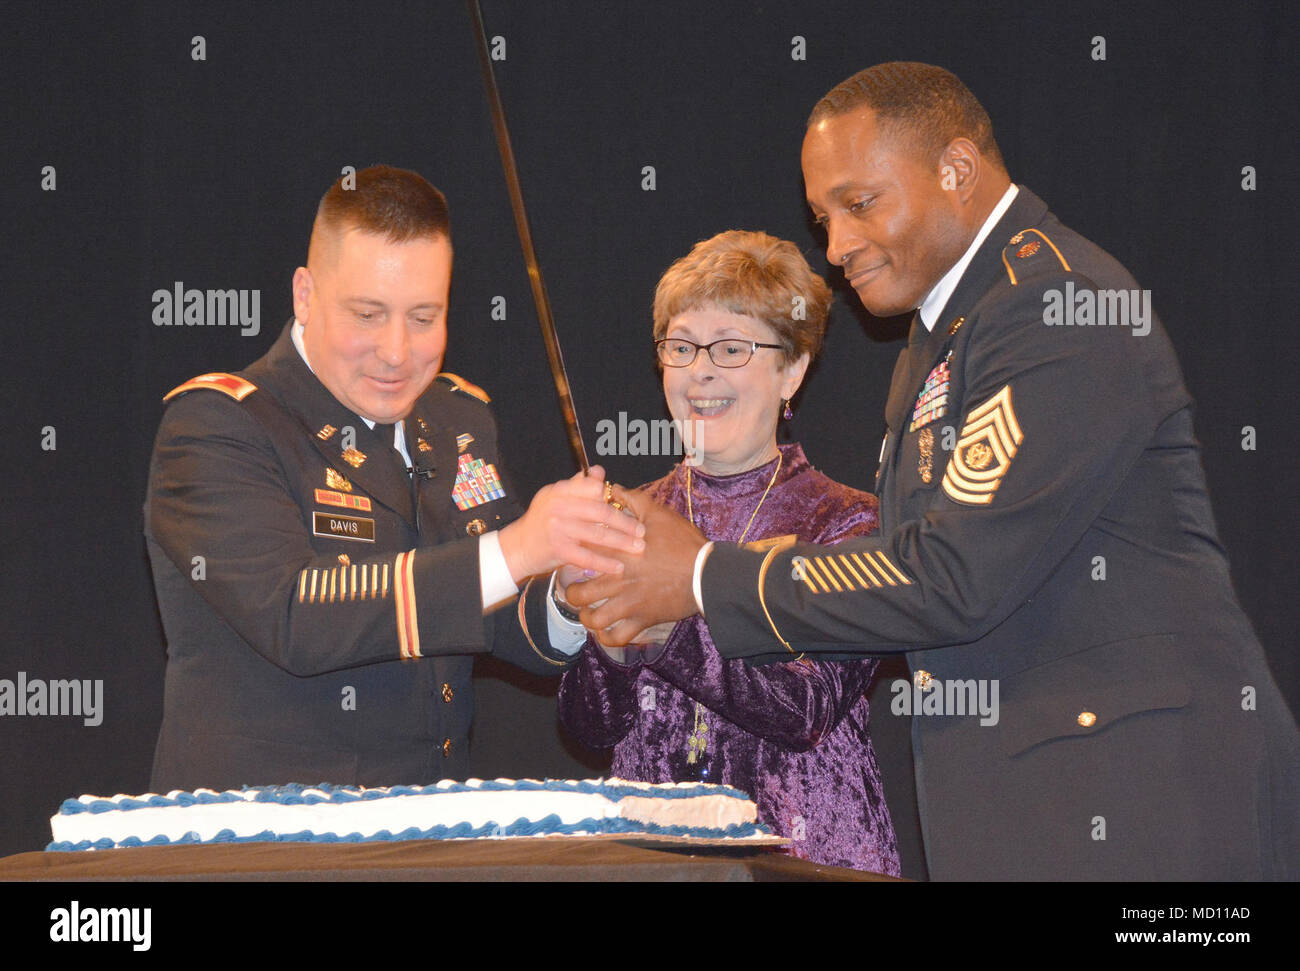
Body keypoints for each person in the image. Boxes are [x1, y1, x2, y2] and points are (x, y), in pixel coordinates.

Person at [569, 63, 1300, 880]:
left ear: (955, 170)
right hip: (1027, 802)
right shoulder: (945, 338)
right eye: (822, 217)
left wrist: (702, 576)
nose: (837, 244)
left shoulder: (1053, 305)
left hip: (1138, 802)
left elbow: (951, 577)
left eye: (859, 203)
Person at [146, 165, 641, 792]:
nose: (398, 352)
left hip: (422, 836)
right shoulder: (216, 425)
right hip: (258, 844)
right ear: (304, 294)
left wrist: (572, 589)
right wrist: (516, 549)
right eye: (368, 315)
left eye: (424, 317)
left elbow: (496, 618)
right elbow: (296, 616)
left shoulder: (460, 416)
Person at [556, 230, 899, 874]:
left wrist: (665, 630)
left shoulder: (853, 524)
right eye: (681, 346)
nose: (701, 369)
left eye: (732, 348)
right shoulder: (624, 516)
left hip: (806, 860)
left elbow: (805, 710)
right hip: (651, 861)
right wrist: (606, 644)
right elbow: (587, 729)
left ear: (791, 369)